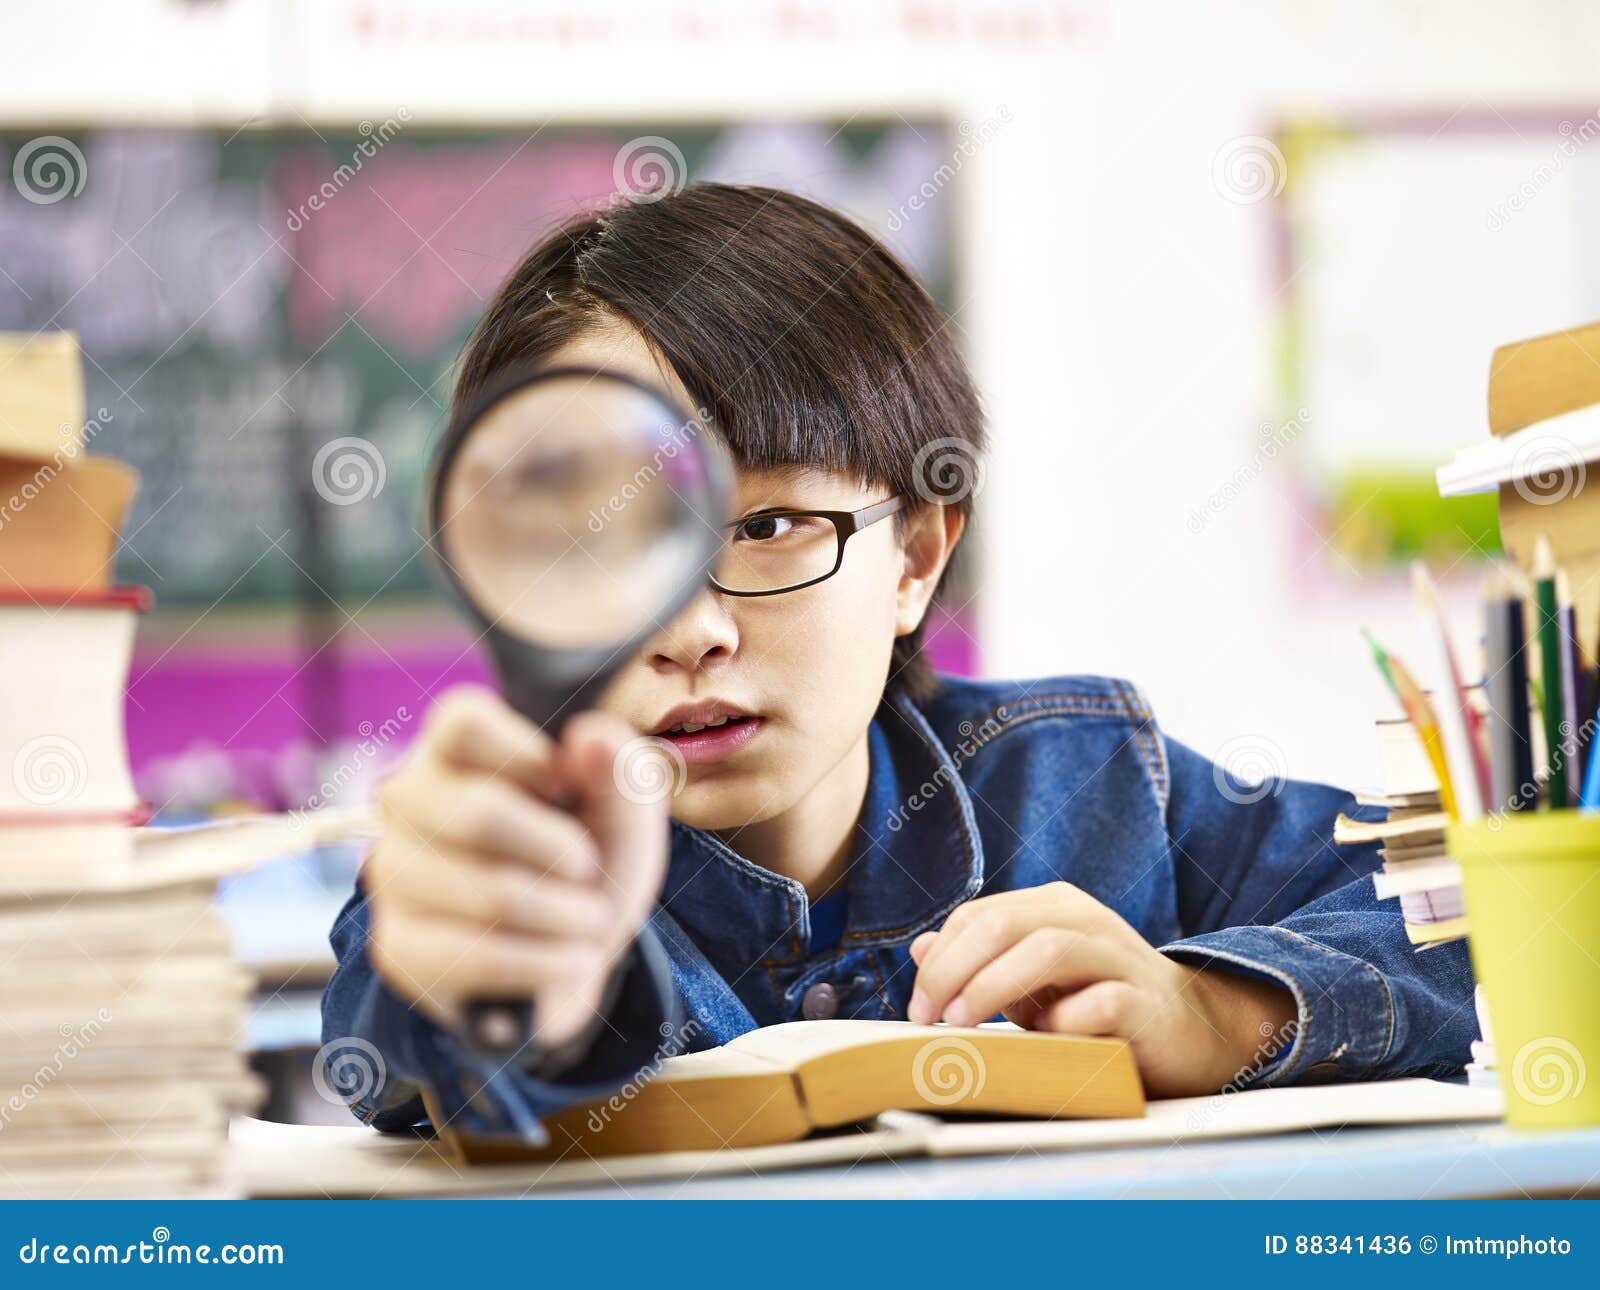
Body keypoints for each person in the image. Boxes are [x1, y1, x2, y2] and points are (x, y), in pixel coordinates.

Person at [321, 182, 1474, 1139]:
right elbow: (403, 1038)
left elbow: (1463, 900)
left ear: (916, 555)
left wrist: (1211, 1014)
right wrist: (499, 990)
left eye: (769, 528)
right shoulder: (493, 857)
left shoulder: (1083, 778)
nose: (690, 631)